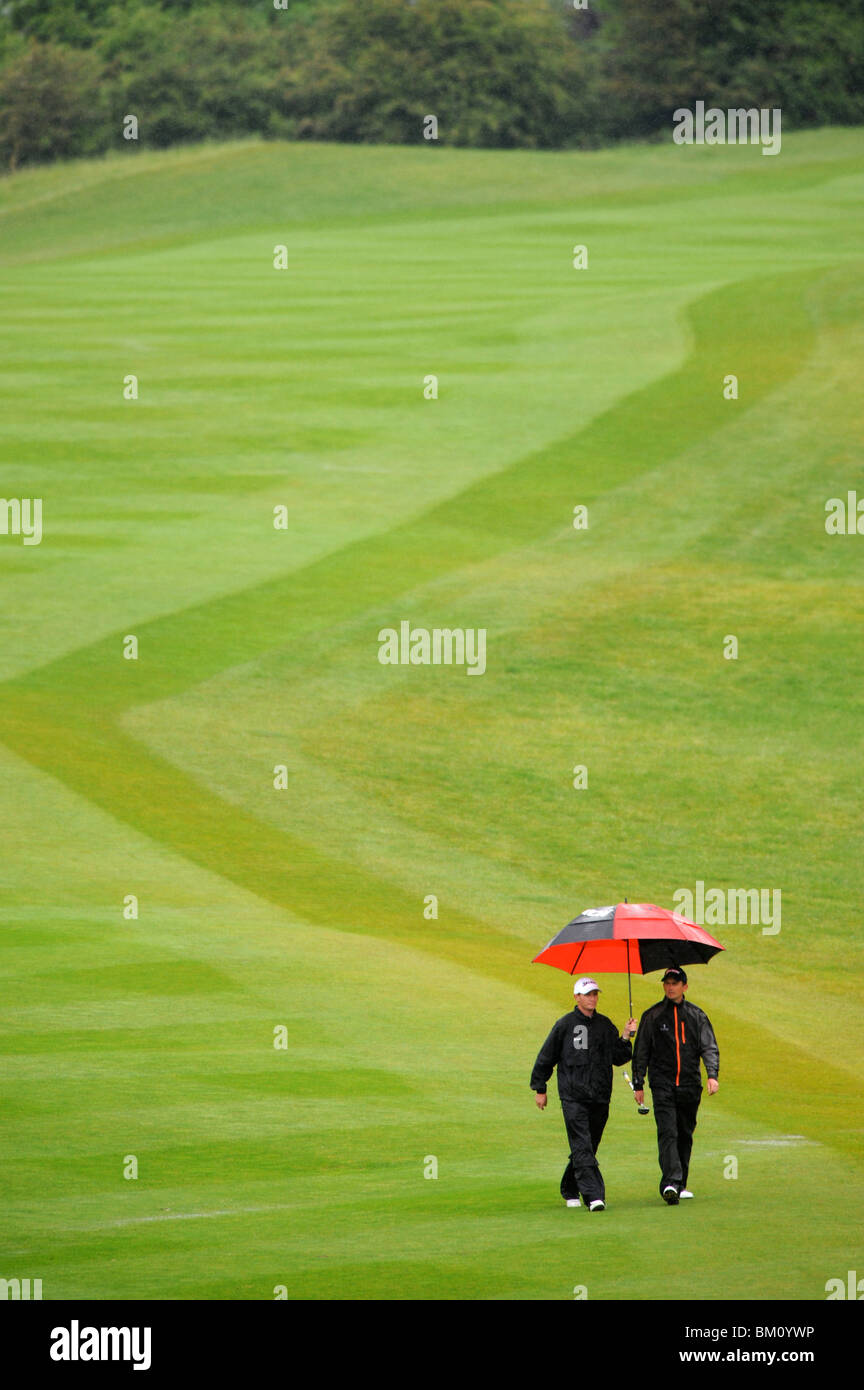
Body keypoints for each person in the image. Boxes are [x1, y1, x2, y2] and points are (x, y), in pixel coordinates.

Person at [531, 976, 636, 1212]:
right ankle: (593, 1195)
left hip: (600, 1096)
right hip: (573, 1096)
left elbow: (619, 1057)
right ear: (577, 997)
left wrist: (626, 1035)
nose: (593, 998)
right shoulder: (565, 1025)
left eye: (595, 994)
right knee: (581, 1144)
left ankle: (569, 1187)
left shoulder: (604, 1025)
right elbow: (546, 1057)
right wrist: (540, 1088)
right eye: (588, 994)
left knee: (590, 1144)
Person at [631, 968, 719, 1204]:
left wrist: (712, 1075)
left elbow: (708, 1047)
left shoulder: (696, 1015)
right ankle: (670, 1182)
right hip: (663, 1085)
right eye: (667, 983)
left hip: (690, 1085)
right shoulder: (653, 1016)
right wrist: (638, 1083)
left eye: (675, 983)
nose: (670, 987)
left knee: (684, 1135)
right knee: (668, 1132)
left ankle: (680, 1184)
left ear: (685, 987)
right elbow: (641, 1052)